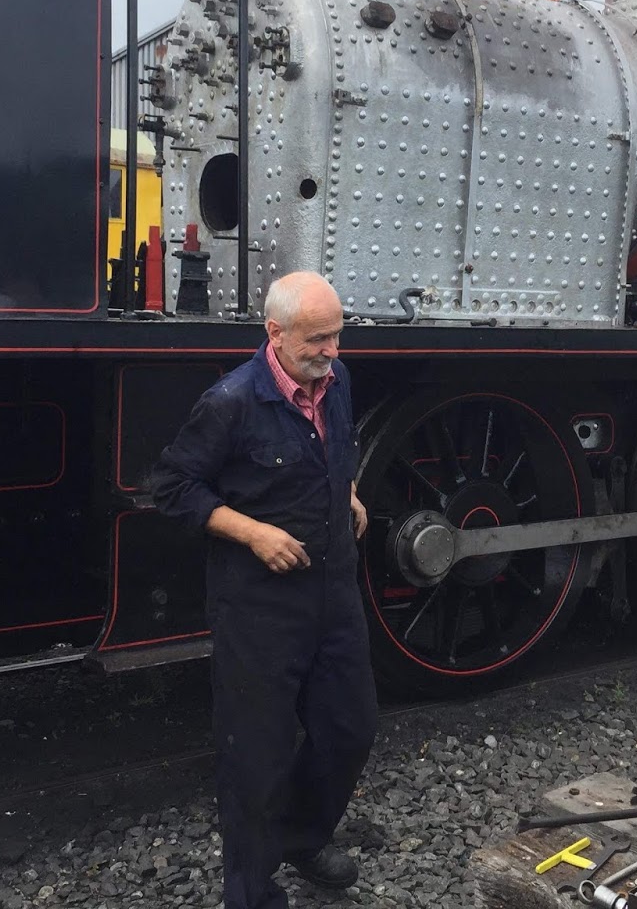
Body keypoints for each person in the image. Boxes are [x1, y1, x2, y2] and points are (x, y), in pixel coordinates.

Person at [150, 271, 376, 909]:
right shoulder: (231, 401)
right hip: (258, 604)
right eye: (317, 339)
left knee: (350, 729)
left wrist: (348, 491)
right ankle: (249, 893)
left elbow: (337, 447)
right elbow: (172, 488)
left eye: (337, 336)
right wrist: (251, 532)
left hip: (333, 590)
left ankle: (302, 839)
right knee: (258, 755)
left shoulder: (337, 380)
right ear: (274, 333)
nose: (331, 351)